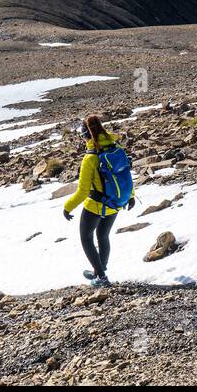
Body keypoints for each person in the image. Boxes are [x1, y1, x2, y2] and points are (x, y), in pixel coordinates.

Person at [62, 116, 134, 287]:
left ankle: (101, 277)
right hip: (115, 202)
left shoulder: (90, 158)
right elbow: (125, 175)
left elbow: (83, 191)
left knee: (86, 238)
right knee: (103, 236)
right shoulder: (115, 147)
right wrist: (130, 195)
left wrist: (67, 207)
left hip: (96, 205)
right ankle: (99, 271)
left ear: (85, 136)